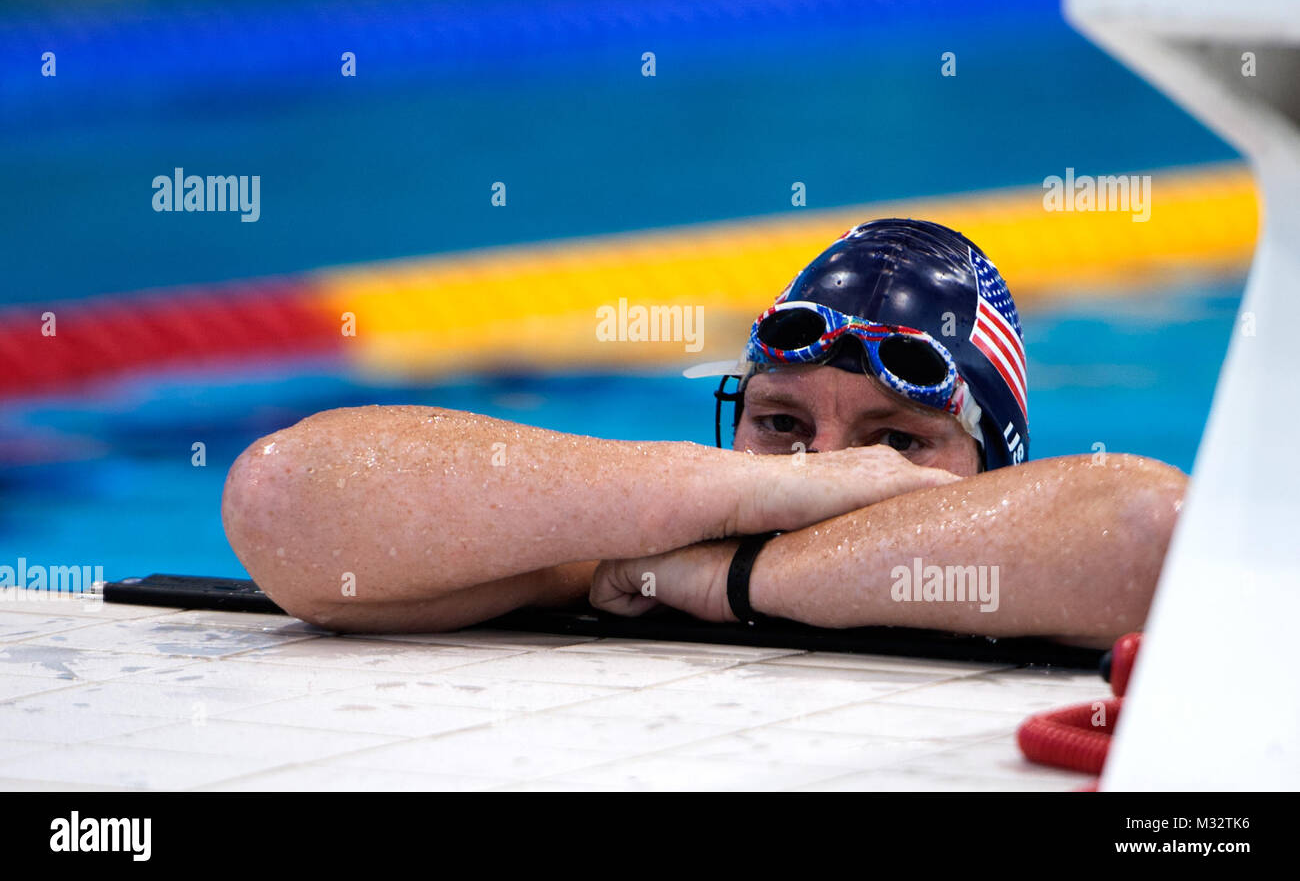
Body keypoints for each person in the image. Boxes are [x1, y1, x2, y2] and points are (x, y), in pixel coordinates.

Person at [221, 219, 1185, 648]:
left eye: (895, 444)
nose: (824, 473)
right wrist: (746, 503)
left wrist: (730, 582)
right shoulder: (641, 554)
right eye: (780, 425)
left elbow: (1158, 536)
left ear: (997, 472)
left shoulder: (1033, 561)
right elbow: (282, 501)